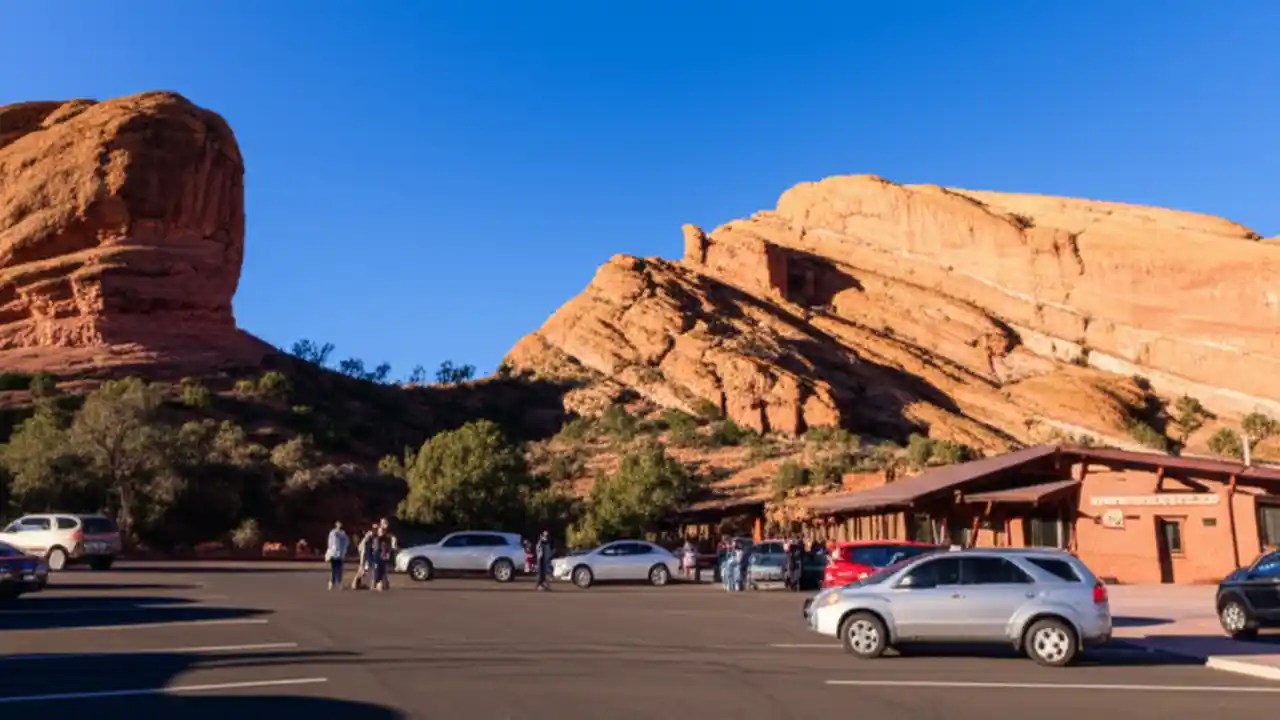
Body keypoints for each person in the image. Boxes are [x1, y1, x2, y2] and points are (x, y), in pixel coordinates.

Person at [324, 521, 349, 590]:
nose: (339, 526)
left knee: (339, 569)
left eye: (340, 524)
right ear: (336, 525)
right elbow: (330, 542)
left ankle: (339, 582)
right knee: (334, 568)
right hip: (334, 553)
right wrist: (329, 551)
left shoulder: (343, 533)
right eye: (338, 524)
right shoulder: (333, 532)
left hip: (340, 553)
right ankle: (332, 582)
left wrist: (344, 551)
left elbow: (346, 543)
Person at [350, 524, 376, 590]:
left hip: (368, 557)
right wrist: (362, 563)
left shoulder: (370, 538)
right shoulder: (367, 539)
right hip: (366, 557)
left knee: (365, 572)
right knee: (362, 572)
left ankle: (356, 584)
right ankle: (354, 584)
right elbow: (363, 552)